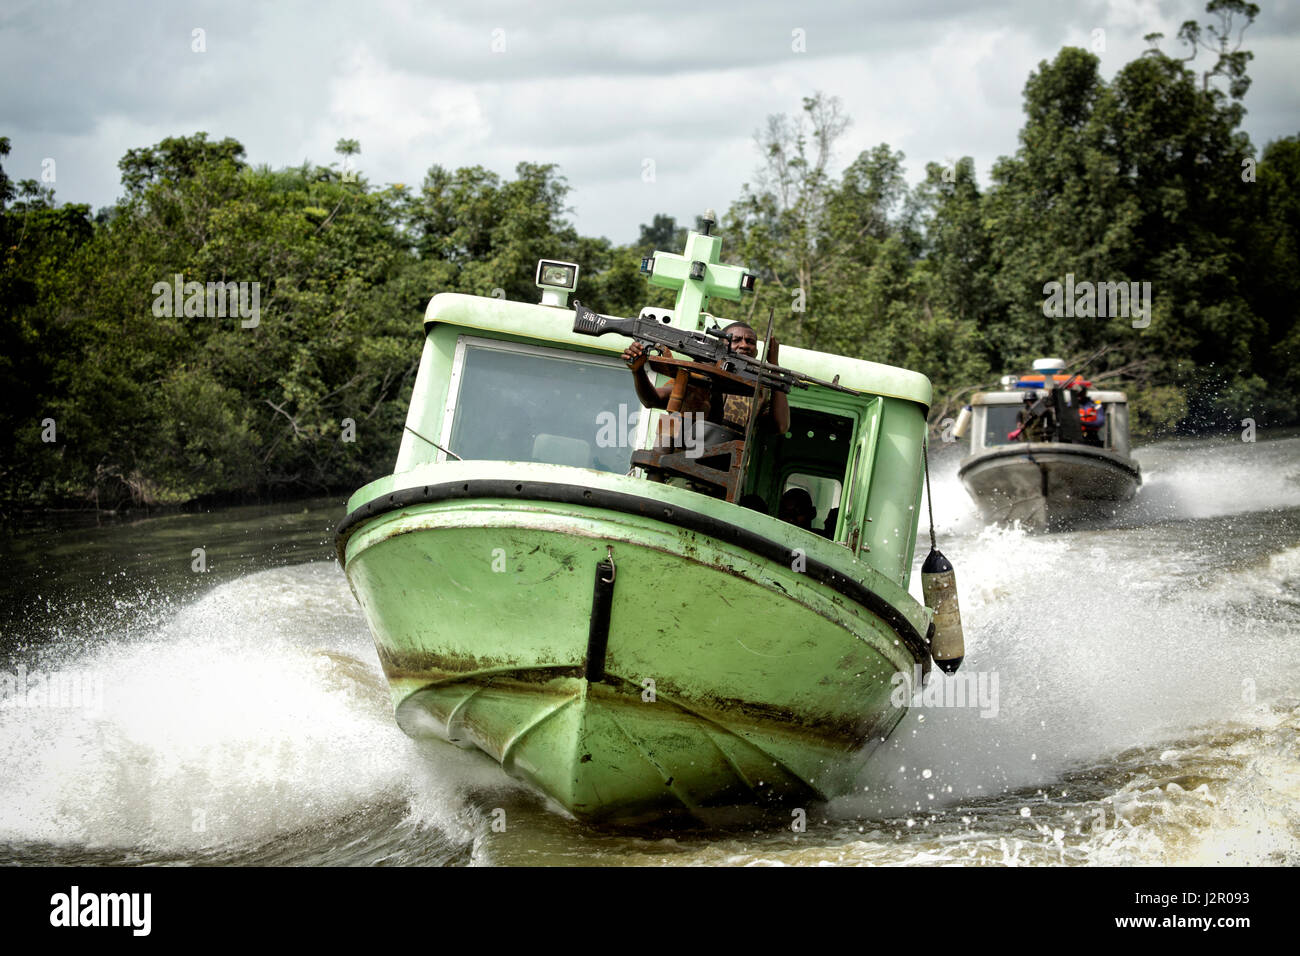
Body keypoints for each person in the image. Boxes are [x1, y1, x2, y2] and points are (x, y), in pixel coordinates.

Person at [621, 321, 791, 436]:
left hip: (728, 470)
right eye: (736, 340)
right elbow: (652, 400)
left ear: (756, 351)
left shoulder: (759, 389)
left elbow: (781, 426)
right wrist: (638, 371)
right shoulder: (698, 372)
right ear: (720, 345)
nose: (744, 345)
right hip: (683, 460)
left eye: (750, 342)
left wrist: (774, 365)